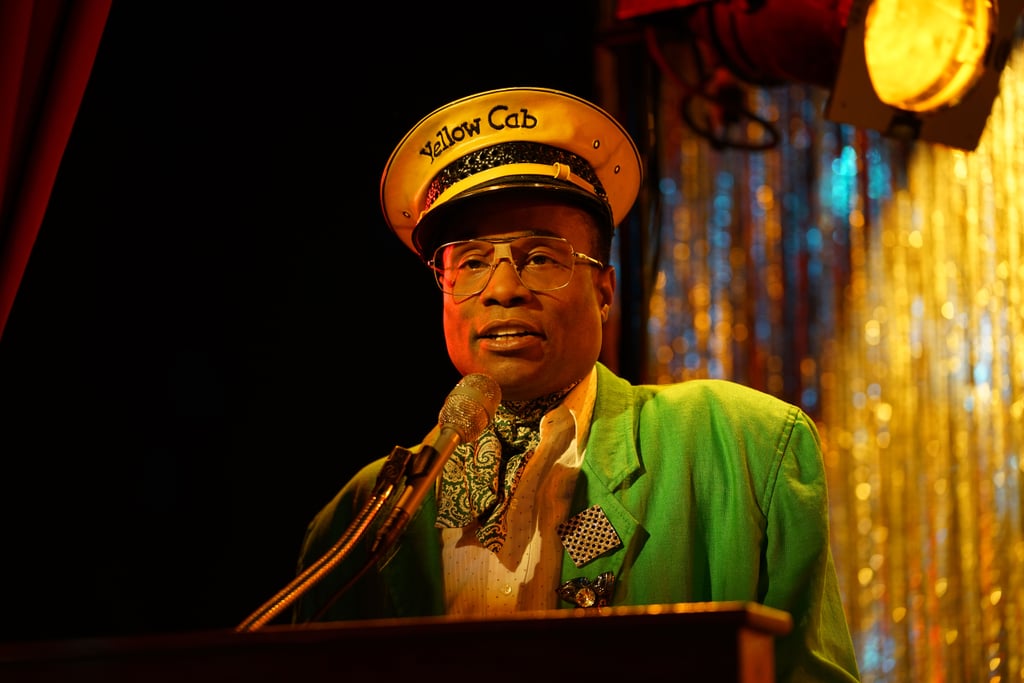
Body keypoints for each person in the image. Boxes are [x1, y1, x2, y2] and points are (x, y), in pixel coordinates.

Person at [292, 86, 861, 681]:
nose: (503, 288)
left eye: (541, 257)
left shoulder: (742, 443)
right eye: (470, 262)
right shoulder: (362, 513)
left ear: (604, 292)